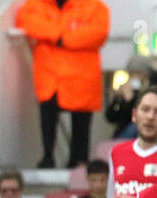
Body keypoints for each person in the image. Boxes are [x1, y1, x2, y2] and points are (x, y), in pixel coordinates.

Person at [16, 0, 109, 168]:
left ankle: (78, 160)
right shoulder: (36, 5)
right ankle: (47, 156)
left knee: (81, 121)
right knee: (47, 116)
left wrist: (62, 39)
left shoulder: (94, 6)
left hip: (81, 75)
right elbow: (25, 21)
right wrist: (58, 35)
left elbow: (98, 33)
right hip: (50, 75)